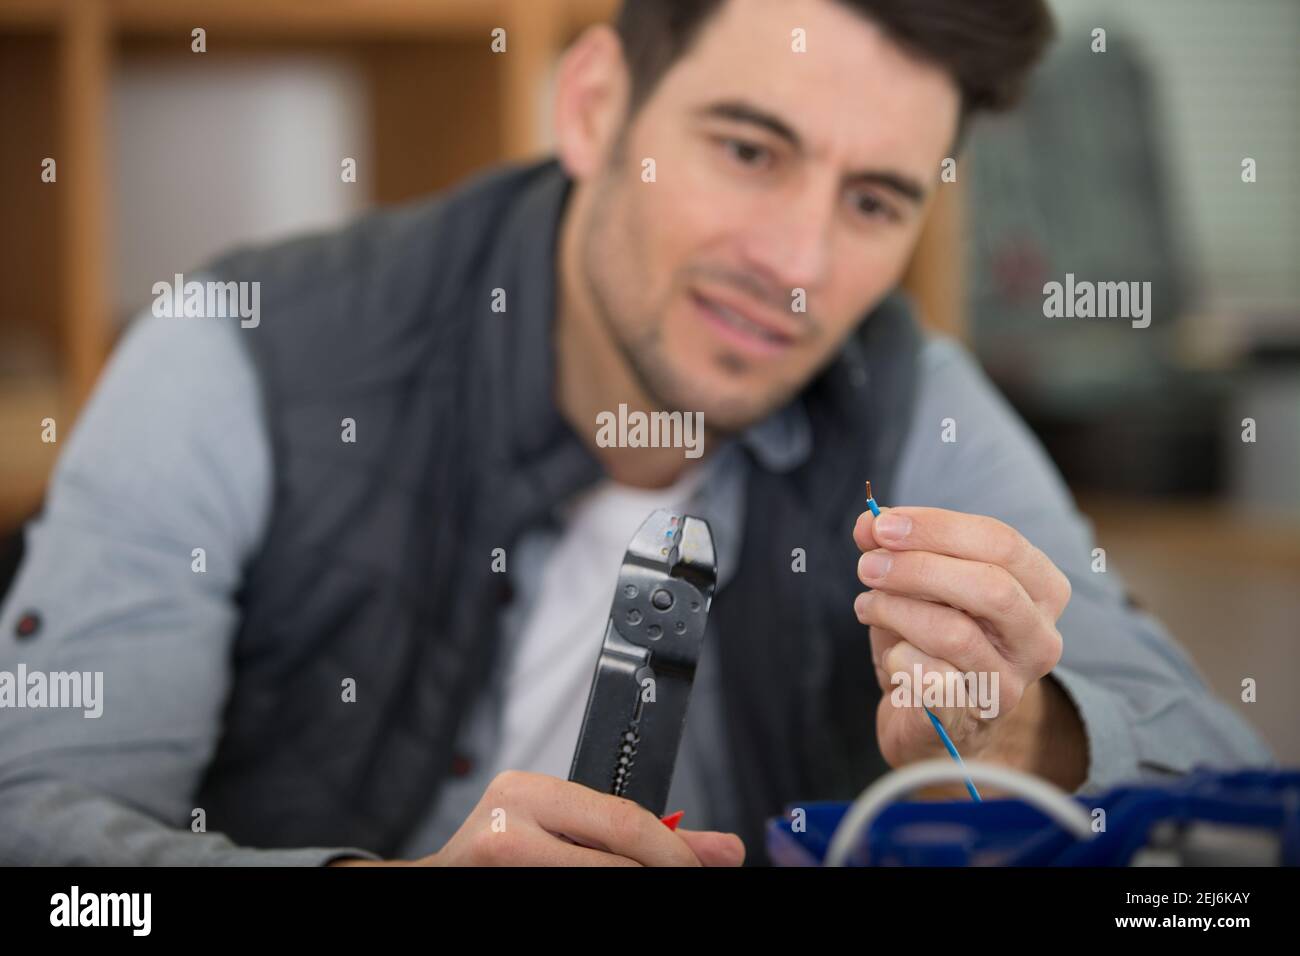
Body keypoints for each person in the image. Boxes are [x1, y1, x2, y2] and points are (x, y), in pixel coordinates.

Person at [0, 0, 1271, 867]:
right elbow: (34, 825)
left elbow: (1228, 779)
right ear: (597, 106)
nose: (798, 266)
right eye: (747, 148)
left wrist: (1018, 734)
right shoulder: (241, 346)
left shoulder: (902, 388)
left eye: (873, 199)